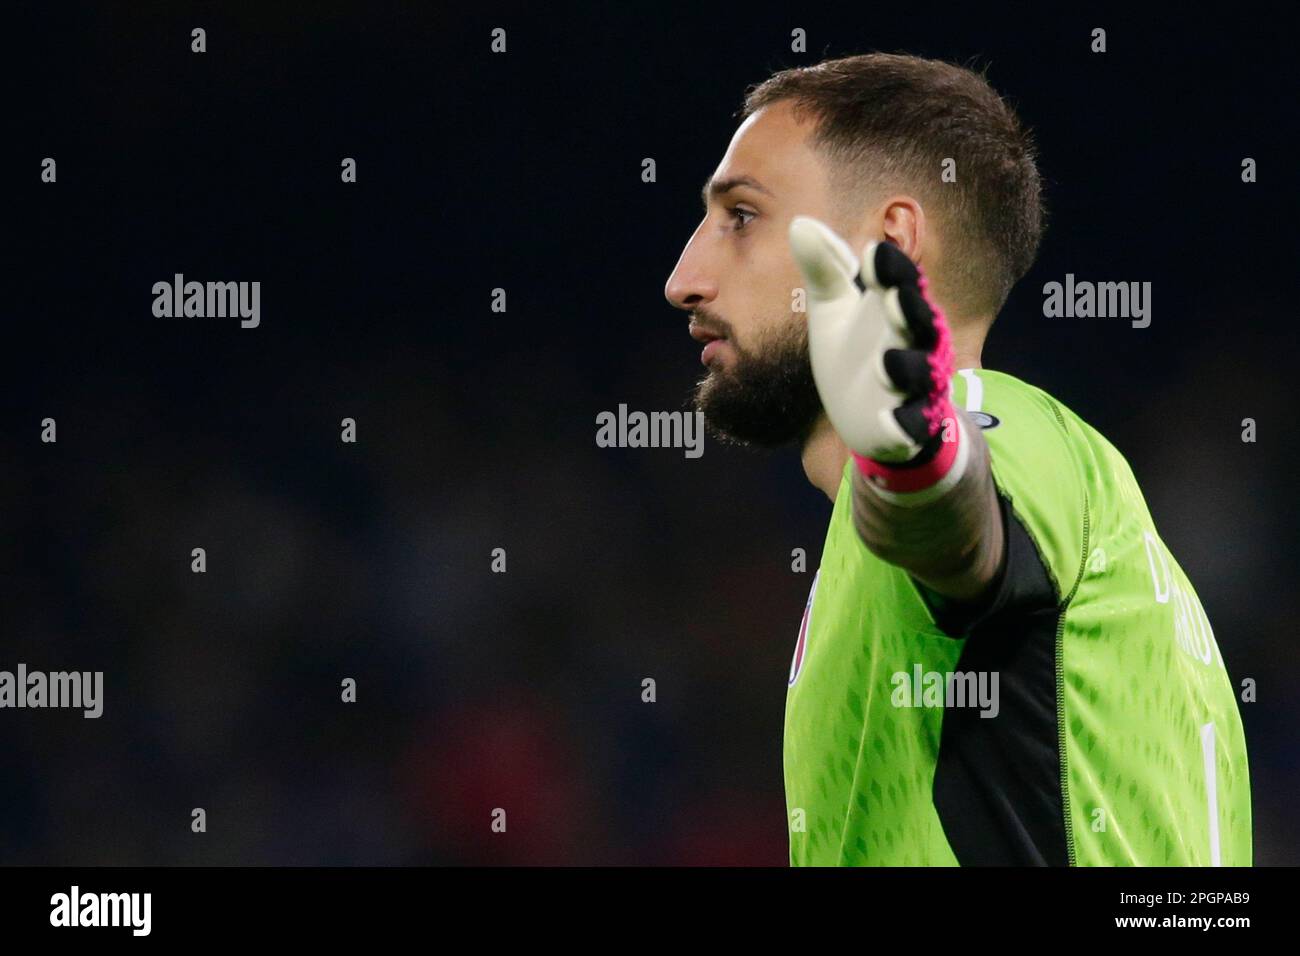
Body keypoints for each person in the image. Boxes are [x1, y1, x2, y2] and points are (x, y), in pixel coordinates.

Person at [664, 53, 1250, 865]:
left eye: (741, 215)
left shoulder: (1010, 432)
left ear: (889, 247)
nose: (683, 279)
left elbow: (964, 525)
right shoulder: (1090, 507)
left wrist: (916, 456)